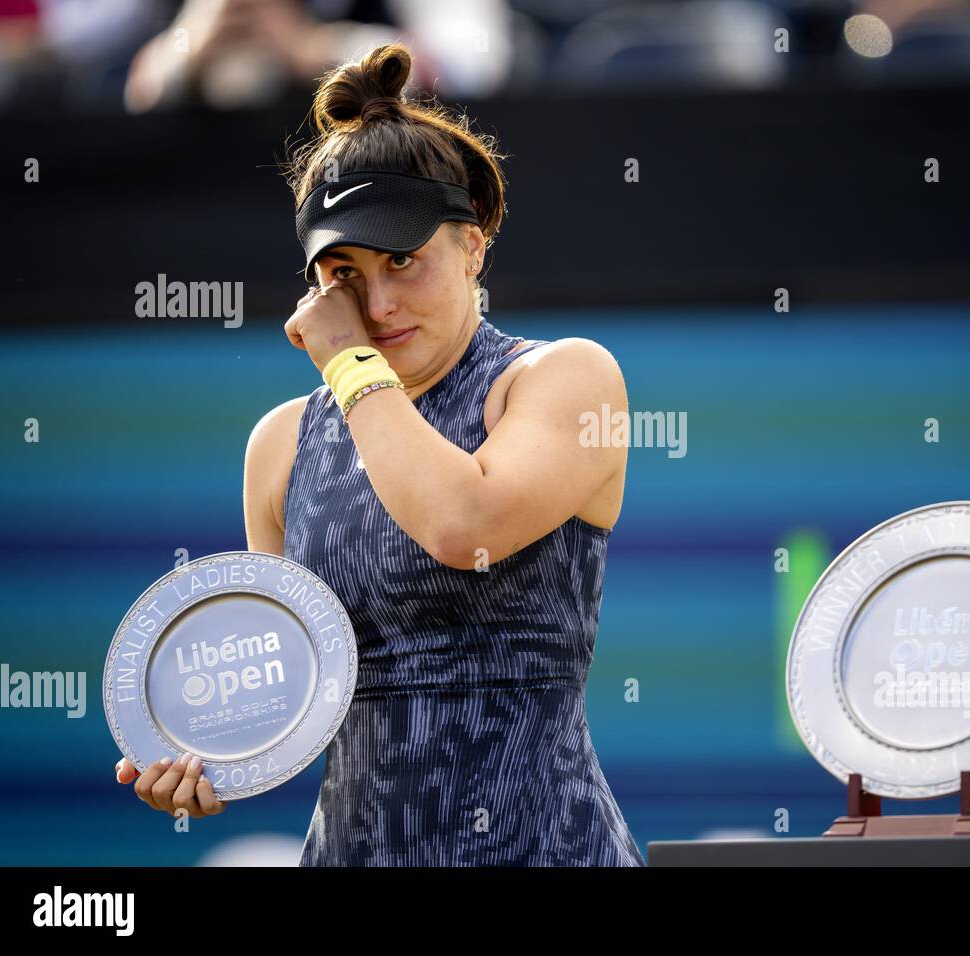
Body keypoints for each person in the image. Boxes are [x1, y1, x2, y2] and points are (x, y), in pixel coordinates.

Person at [115, 41, 644, 867]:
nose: (380, 301)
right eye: (346, 273)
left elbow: (461, 521)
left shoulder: (565, 378)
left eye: (403, 260)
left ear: (473, 245)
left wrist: (351, 365)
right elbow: (285, 692)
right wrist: (199, 757)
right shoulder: (280, 443)